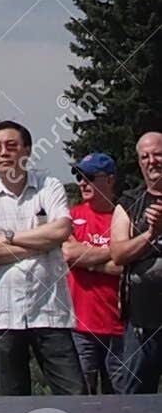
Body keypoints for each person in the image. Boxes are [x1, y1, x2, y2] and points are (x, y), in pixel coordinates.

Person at [0, 121, 84, 396]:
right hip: (2, 315)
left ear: (27, 150)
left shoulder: (49, 187)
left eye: (11, 146)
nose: (3, 153)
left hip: (51, 312)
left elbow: (61, 230)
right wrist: (42, 244)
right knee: (12, 403)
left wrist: (7, 238)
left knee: (75, 396)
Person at [62, 151, 124, 395]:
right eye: (79, 177)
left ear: (109, 179)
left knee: (121, 399)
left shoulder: (123, 217)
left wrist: (87, 260)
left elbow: (126, 264)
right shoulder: (72, 216)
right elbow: (69, 253)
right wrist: (113, 252)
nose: (82, 183)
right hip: (80, 326)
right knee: (81, 397)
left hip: (118, 327)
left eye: (89, 177)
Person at [109, 130, 162, 394]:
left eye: (158, 155)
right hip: (142, 323)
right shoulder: (129, 203)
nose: (152, 161)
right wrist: (151, 234)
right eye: (145, 157)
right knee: (135, 400)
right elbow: (118, 254)